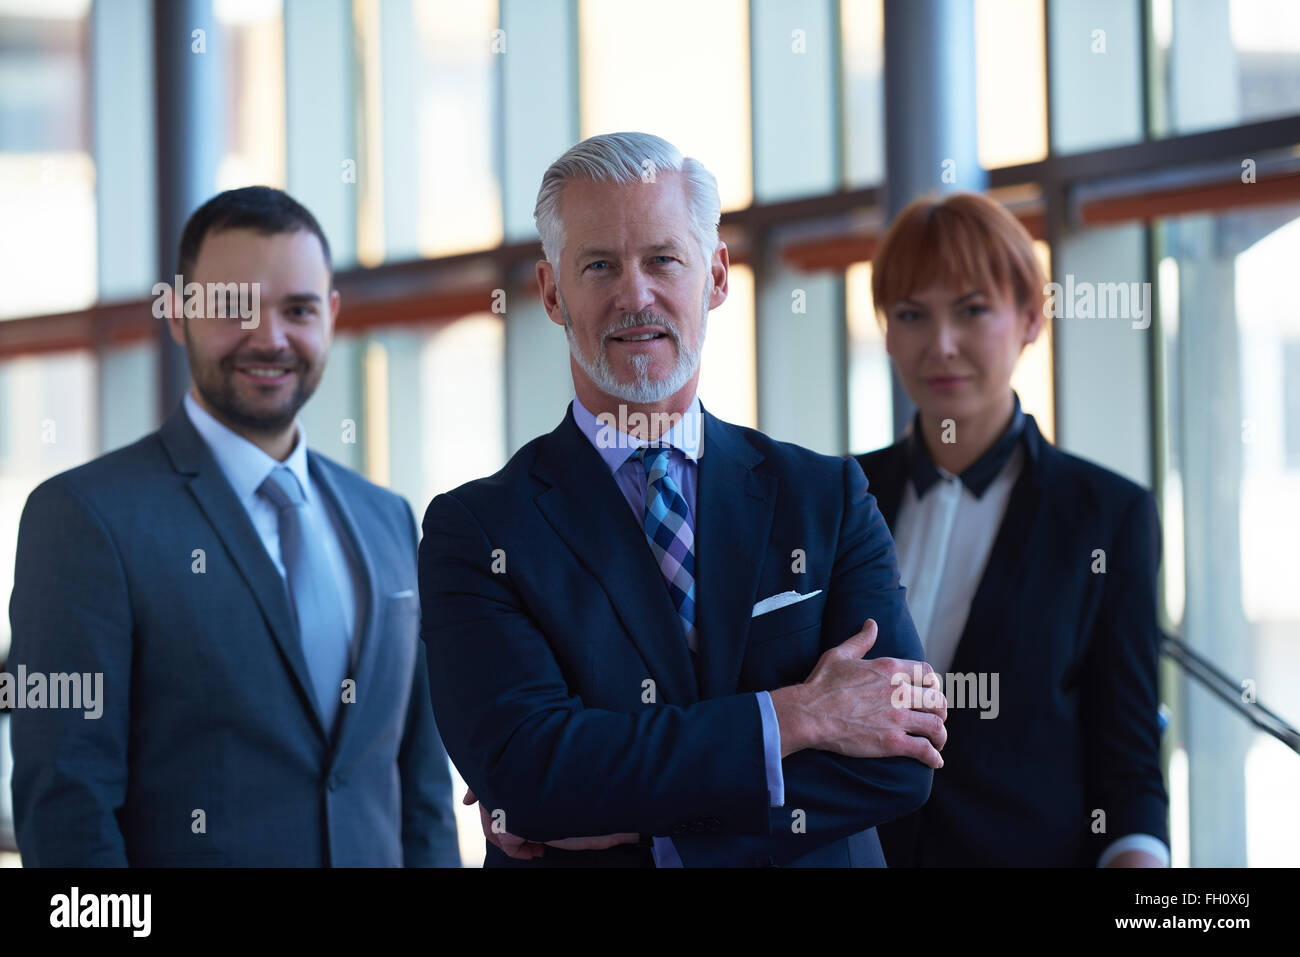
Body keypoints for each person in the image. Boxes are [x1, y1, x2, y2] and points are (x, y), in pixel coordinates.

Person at [420, 132, 947, 868]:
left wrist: (645, 826)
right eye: (599, 264)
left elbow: (900, 755)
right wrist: (796, 714)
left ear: (718, 275)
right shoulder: (476, 531)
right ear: (550, 292)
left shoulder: (826, 498)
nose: (635, 294)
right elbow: (528, 774)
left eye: (663, 259)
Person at [9, 186, 461, 867]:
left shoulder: (387, 517)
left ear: (331, 316)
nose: (270, 337)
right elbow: (66, 810)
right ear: (180, 314)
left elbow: (420, 788)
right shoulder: (85, 518)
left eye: (298, 309)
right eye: (233, 308)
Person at [854, 191, 1169, 867]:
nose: (941, 344)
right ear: (886, 331)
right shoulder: (836, 494)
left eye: (971, 310)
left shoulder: (1107, 517)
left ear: (1030, 317)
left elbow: (1129, 764)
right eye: (912, 314)